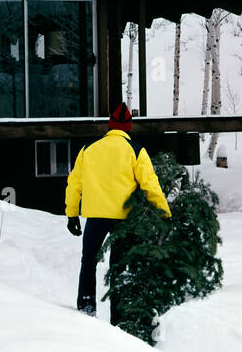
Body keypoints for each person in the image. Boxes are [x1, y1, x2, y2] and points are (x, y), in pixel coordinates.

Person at [65, 102, 172, 319]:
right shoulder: (136, 151)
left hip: (95, 216)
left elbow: (74, 184)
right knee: (119, 266)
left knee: (88, 261)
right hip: (125, 219)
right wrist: (164, 214)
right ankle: (119, 314)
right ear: (129, 128)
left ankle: (86, 306)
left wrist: (72, 214)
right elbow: (151, 185)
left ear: (109, 126)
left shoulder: (88, 150)